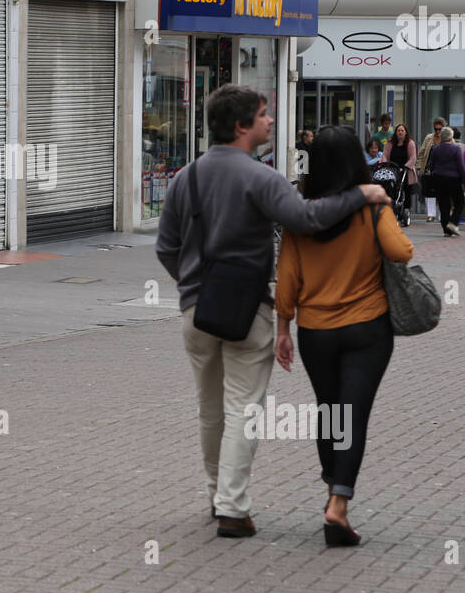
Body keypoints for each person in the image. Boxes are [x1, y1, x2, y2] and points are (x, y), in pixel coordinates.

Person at [156, 85, 389, 539]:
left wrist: (191, 280)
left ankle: (216, 494)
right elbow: (306, 219)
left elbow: (167, 247)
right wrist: (362, 194)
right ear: (242, 127)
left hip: (195, 310)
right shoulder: (262, 177)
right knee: (244, 408)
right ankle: (232, 506)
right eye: (263, 116)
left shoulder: (185, 178)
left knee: (210, 409)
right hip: (248, 310)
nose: (270, 121)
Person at [275, 126, 414, 546]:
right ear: (358, 160)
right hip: (367, 327)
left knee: (330, 412)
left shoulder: (303, 214)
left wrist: (283, 327)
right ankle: (338, 503)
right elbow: (401, 252)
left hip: (316, 331)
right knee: (353, 417)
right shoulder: (372, 206)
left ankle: (332, 485)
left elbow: (287, 279)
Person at [427, 126, 465, 236]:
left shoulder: (436, 149)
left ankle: (446, 230)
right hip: (453, 179)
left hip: (438, 178)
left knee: (444, 204)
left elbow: (431, 165)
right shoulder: (455, 149)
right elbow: (461, 166)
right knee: (460, 202)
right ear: (451, 136)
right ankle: (453, 222)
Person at [416, 117, 446, 222]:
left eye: (440, 129)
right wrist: (419, 166)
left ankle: (442, 214)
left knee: (442, 192)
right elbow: (422, 152)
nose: (437, 131)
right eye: (436, 129)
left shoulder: (446, 139)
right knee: (429, 192)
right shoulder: (429, 138)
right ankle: (431, 214)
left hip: (443, 169)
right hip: (429, 168)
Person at [387, 123, 418, 212]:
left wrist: (405, 167)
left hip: (406, 171)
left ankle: (406, 209)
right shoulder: (390, 143)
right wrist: (387, 164)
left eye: (402, 130)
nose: (400, 132)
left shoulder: (410, 143)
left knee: (406, 190)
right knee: (392, 189)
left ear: (405, 133)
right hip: (393, 170)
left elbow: (413, 157)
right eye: (398, 130)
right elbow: (385, 155)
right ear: (396, 132)